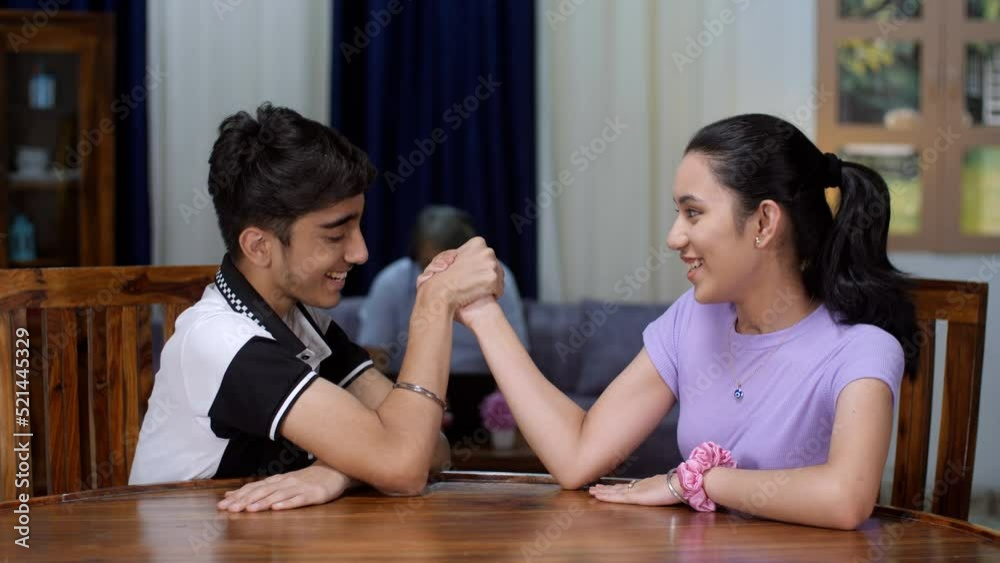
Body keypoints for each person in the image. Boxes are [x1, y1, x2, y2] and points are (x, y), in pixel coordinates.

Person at [421, 114, 916, 530]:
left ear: (764, 222)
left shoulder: (861, 350)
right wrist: (483, 313)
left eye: (693, 213)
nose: (674, 237)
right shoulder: (694, 318)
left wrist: (693, 480)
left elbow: (845, 498)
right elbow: (576, 456)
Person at [129, 103, 505, 513]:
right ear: (259, 246)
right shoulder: (221, 343)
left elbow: (432, 448)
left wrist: (337, 471)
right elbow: (406, 466)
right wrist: (434, 302)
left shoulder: (306, 324)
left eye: (358, 226)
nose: (360, 252)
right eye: (335, 234)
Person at [357, 205, 529, 375]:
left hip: (480, 393)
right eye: (427, 264)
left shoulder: (494, 277)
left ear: (465, 256)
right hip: (408, 391)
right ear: (414, 253)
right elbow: (374, 355)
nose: (435, 274)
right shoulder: (390, 282)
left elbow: (518, 358)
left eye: (445, 265)